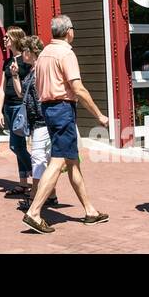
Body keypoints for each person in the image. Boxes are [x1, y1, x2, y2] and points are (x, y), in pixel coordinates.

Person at [22, 14, 109, 233]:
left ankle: (90, 211)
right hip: (62, 109)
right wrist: (99, 115)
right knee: (58, 161)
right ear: (69, 31)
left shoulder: (44, 54)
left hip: (48, 109)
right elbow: (78, 88)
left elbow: (37, 87)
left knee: (72, 162)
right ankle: (34, 212)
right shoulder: (66, 53)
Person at [18, 36, 55, 208]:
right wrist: (15, 76)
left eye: (24, 50)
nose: (22, 54)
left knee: (38, 158)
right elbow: (22, 94)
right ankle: (51, 195)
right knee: (45, 158)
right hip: (36, 121)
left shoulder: (40, 68)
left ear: (30, 51)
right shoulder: (32, 69)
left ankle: (34, 196)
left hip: (42, 120)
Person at [0, 26, 32, 196]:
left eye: (7, 37)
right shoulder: (7, 62)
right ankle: (23, 183)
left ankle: (40, 174)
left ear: (16, 39)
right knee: (19, 145)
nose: (4, 40)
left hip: (20, 107)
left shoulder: (25, 60)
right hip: (9, 107)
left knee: (15, 145)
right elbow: (2, 88)